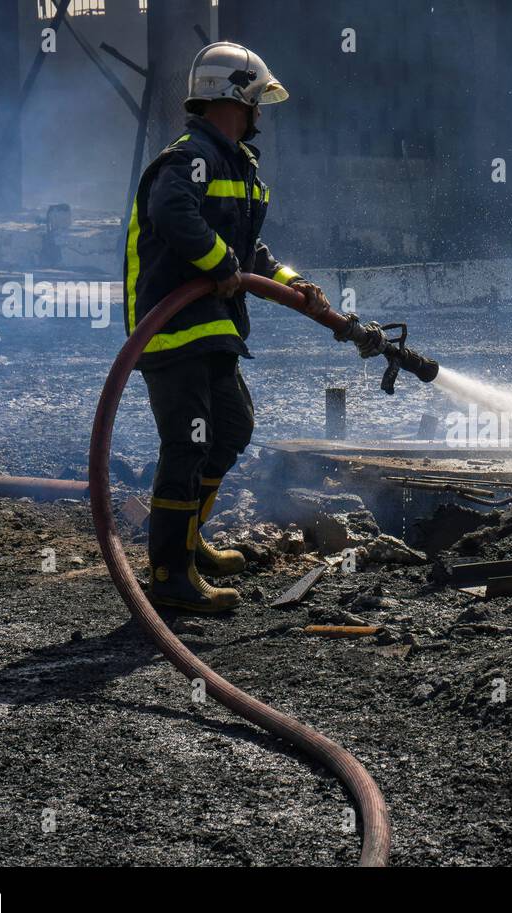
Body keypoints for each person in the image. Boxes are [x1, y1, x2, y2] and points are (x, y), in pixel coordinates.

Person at [123, 42, 331, 613]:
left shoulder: (237, 164)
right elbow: (174, 214)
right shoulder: (191, 156)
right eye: (257, 99)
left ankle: (187, 545)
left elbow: (248, 252)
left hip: (212, 328)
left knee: (232, 428)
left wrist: (294, 284)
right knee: (187, 445)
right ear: (236, 96)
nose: (261, 111)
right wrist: (220, 267)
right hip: (171, 328)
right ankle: (169, 574)